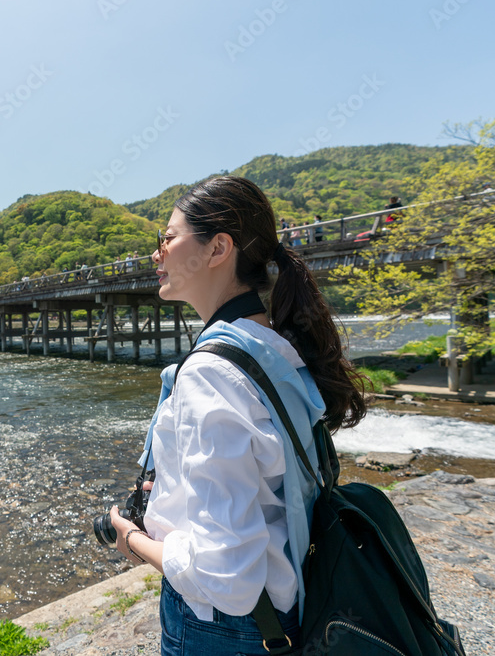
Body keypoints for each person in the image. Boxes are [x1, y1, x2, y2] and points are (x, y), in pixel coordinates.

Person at [109, 176, 366, 656]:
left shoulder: (211, 371)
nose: (156, 253)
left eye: (167, 238)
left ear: (217, 248)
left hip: (225, 629)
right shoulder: (271, 348)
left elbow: (225, 576)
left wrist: (132, 541)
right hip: (290, 602)